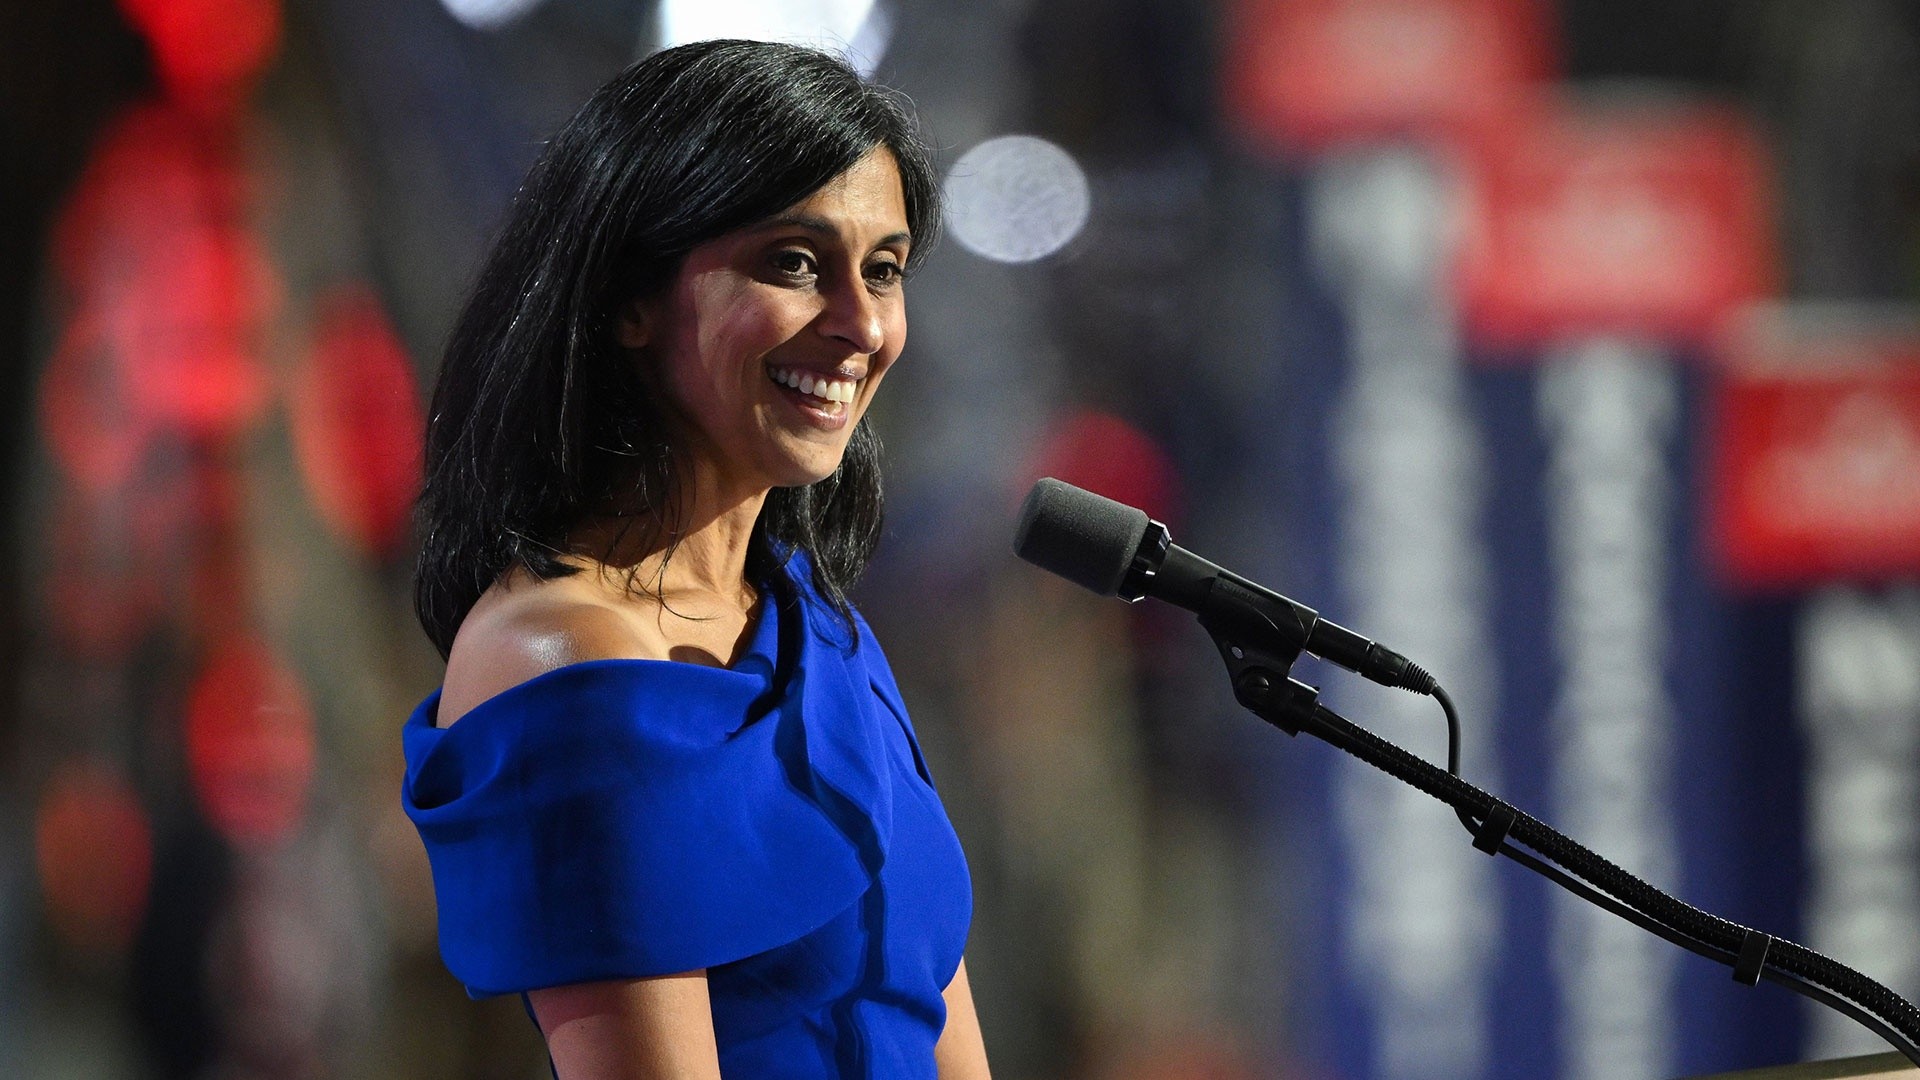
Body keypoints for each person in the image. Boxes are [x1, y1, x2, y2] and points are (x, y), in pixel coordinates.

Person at [399, 39, 989, 1079]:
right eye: (795, 264)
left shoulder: (826, 637)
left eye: (884, 271)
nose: (860, 325)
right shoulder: (561, 658)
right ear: (630, 298)